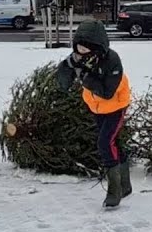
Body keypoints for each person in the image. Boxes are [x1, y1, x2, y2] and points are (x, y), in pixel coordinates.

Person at [57, 20, 132, 208]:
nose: (80, 52)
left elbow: (108, 92)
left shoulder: (112, 60)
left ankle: (115, 191)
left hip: (116, 106)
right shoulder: (79, 57)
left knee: (105, 143)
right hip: (96, 107)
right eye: (78, 48)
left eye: (85, 49)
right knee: (113, 142)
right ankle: (125, 183)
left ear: (97, 47)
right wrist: (64, 81)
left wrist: (85, 78)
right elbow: (65, 68)